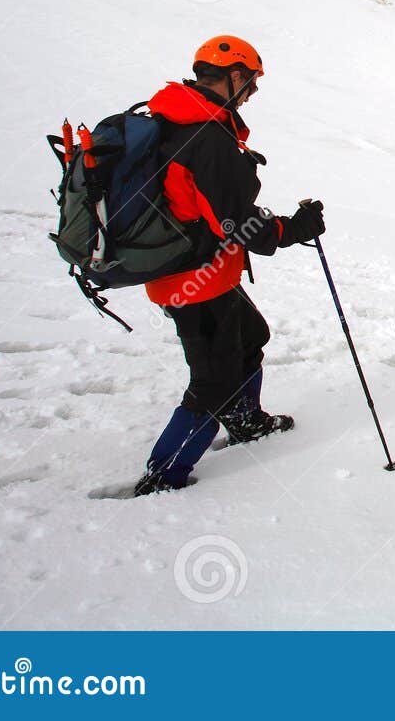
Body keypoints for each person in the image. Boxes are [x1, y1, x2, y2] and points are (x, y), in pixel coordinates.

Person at [131, 37, 326, 495]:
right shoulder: (206, 136)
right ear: (234, 75)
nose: (253, 93)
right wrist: (293, 228)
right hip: (193, 281)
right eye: (252, 82)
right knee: (212, 380)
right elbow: (236, 223)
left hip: (197, 271)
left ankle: (245, 421)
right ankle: (165, 474)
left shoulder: (179, 118)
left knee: (251, 335)